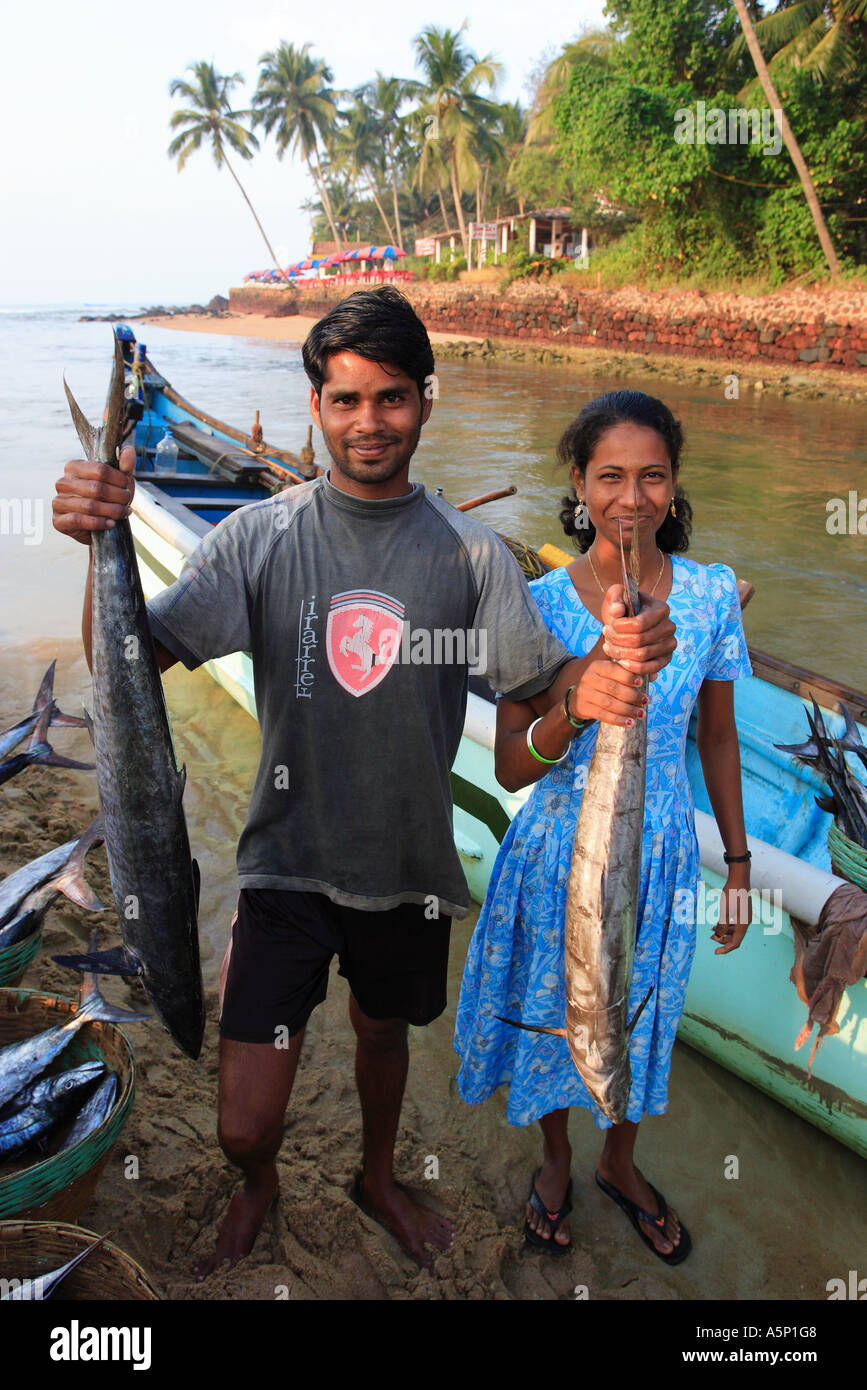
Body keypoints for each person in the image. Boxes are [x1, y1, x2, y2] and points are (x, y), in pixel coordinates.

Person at [52, 290, 676, 1276]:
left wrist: (594, 679)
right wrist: (98, 541)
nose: (368, 421)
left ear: (425, 403)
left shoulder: (473, 555)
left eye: (391, 398)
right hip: (285, 871)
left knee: (384, 1032)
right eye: (345, 400)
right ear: (315, 406)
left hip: (409, 871)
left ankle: (376, 1173)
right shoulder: (260, 538)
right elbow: (128, 661)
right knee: (242, 1124)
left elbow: (541, 681)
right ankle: (261, 1179)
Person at [454, 389, 753, 1263]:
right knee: (553, 1009)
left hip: (659, 855)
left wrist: (737, 867)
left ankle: (619, 1166)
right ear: (578, 486)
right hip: (555, 853)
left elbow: (719, 735)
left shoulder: (707, 597)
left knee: (638, 1019)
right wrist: (576, 704)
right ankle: (554, 1159)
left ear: (673, 485)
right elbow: (513, 764)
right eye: (610, 477)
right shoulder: (536, 605)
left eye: (651, 476)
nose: (631, 498)